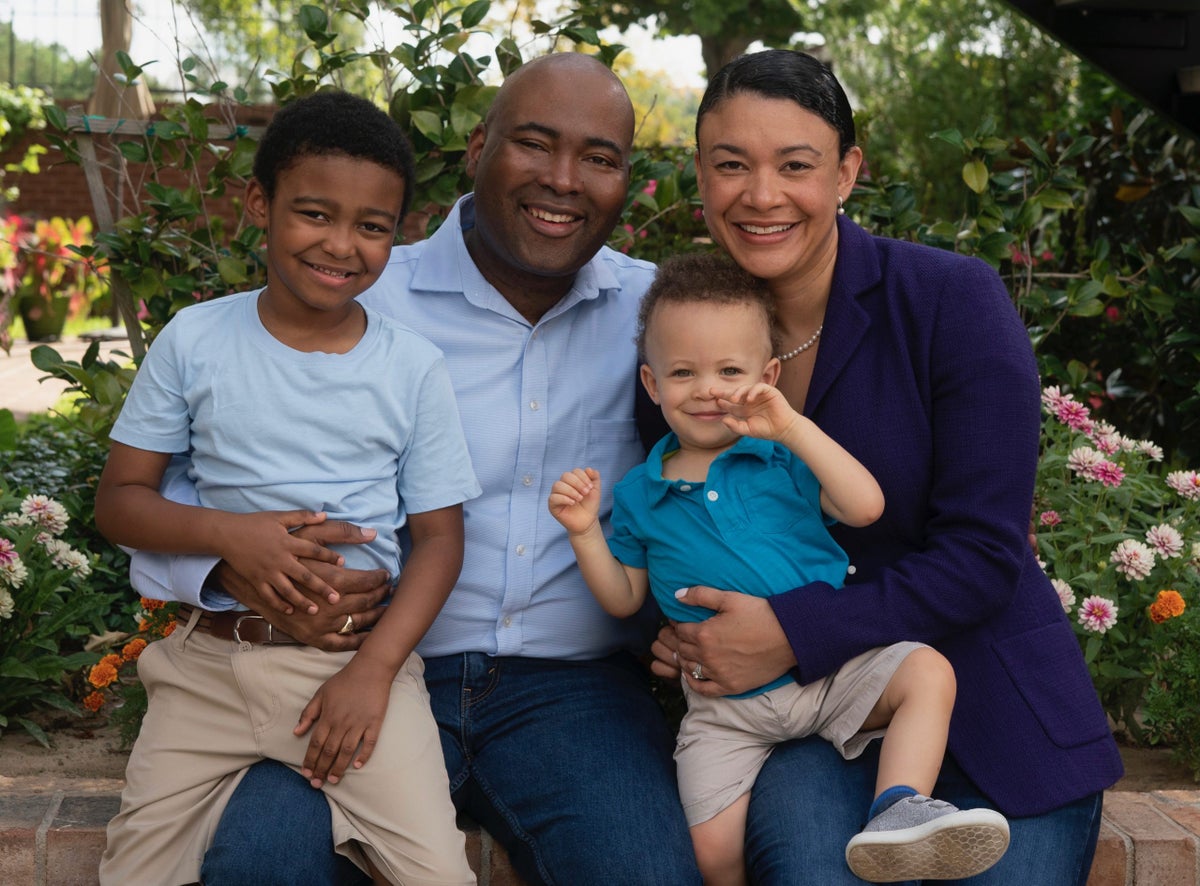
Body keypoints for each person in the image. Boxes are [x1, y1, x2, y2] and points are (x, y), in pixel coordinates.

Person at [126, 54, 703, 886]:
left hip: (573, 695)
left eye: (601, 158)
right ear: (478, 148)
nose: (564, 180)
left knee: (647, 873)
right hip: (350, 667)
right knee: (261, 863)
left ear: (625, 178)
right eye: (534, 144)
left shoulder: (656, 318)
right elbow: (177, 485)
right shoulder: (356, 292)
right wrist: (231, 565)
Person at [644, 49, 1124, 884]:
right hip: (803, 729)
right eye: (731, 166)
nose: (762, 196)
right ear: (700, 176)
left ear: (847, 173)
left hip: (992, 715)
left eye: (796, 165)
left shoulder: (951, 301)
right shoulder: (683, 347)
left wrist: (790, 630)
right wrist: (680, 631)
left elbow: (982, 556)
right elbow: (663, 517)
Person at [94, 91, 480, 886]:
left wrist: (374, 672)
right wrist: (231, 535)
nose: (342, 245)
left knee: (438, 874)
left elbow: (441, 539)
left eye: (372, 227)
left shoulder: (411, 367)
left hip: (351, 672)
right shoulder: (195, 341)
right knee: (134, 871)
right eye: (314, 214)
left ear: (400, 233)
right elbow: (120, 500)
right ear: (259, 204)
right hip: (208, 666)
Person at [549, 252, 1010, 884]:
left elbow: (866, 505)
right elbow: (624, 598)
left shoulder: (781, 458)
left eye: (729, 371)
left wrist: (793, 428)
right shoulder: (637, 494)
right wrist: (584, 535)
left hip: (829, 671)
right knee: (710, 855)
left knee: (927, 672)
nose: (707, 389)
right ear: (653, 385)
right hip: (723, 709)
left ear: (767, 375)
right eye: (683, 372)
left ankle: (898, 807)